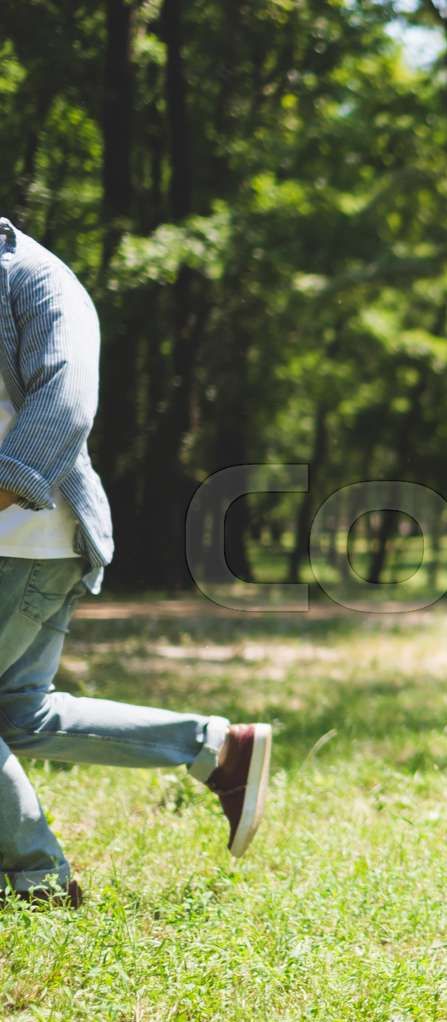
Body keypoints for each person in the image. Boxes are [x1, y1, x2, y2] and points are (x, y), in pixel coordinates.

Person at [0, 217, 271, 908]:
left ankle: (35, 880)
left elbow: (67, 399)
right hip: (26, 542)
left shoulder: (37, 279)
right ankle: (217, 748)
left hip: (25, 536)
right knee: (22, 714)